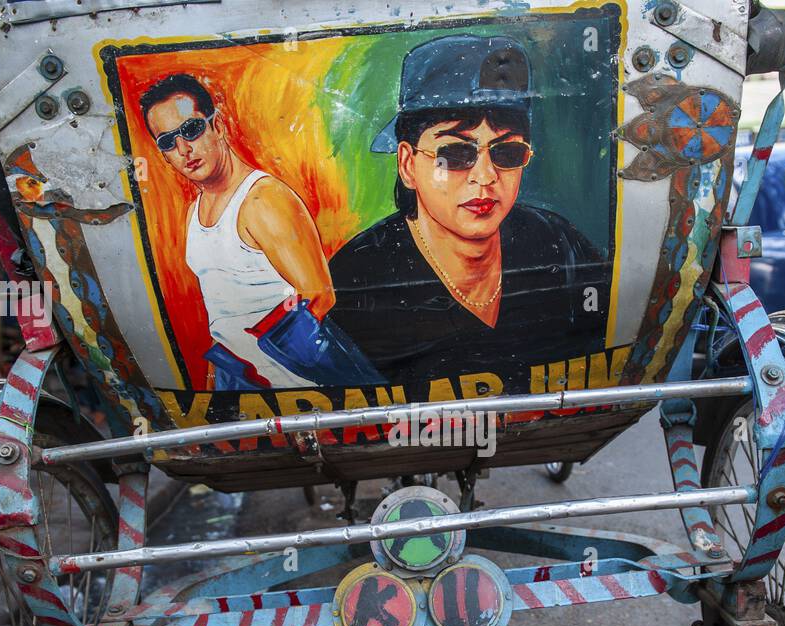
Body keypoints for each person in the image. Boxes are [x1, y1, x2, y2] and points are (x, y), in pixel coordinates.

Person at [326, 35, 610, 384]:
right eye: (455, 155)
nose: (485, 176)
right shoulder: (355, 284)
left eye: (507, 153)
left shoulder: (561, 246)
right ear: (407, 164)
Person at [141, 74, 380, 390]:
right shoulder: (194, 213)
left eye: (191, 129)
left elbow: (317, 295)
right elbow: (222, 324)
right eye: (168, 141)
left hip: (295, 381)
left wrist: (258, 349)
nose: (184, 148)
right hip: (243, 381)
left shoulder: (262, 198)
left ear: (219, 127)